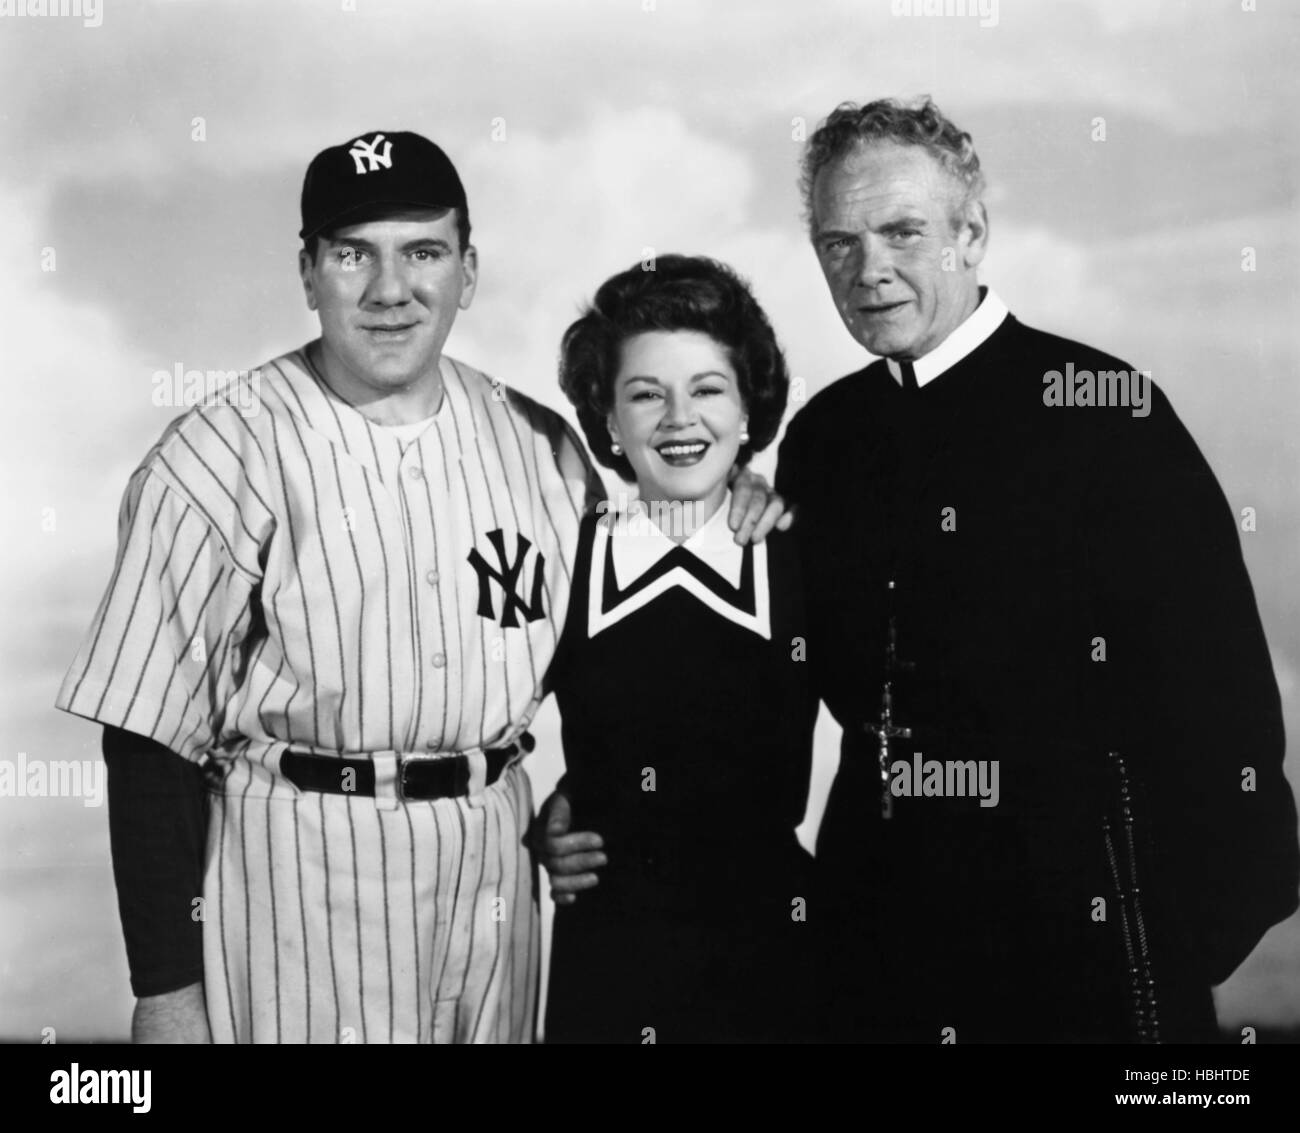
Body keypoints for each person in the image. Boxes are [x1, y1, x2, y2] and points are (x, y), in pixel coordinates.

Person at [55, 131, 786, 1044]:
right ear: (308, 270)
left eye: (423, 252)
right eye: (355, 253)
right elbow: (148, 739)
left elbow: (617, 648)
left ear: (468, 271)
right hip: (301, 877)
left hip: (491, 870)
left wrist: (735, 495)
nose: (390, 289)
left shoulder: (538, 445)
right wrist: (166, 993)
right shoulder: (215, 455)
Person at [776, 96, 1299, 1042]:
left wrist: (1159, 952)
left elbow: (1229, 722)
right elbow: (782, 686)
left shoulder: (1108, 415)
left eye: (902, 232)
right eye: (838, 243)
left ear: (972, 233)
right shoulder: (822, 438)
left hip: (1087, 961)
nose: (870, 271)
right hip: (878, 956)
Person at [536, 255, 819, 1043]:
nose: (678, 419)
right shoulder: (571, 556)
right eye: (644, 395)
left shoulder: (796, 554)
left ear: (749, 408)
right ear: (609, 419)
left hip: (773, 955)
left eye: (706, 389)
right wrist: (547, 824)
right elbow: (488, 723)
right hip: (611, 958)